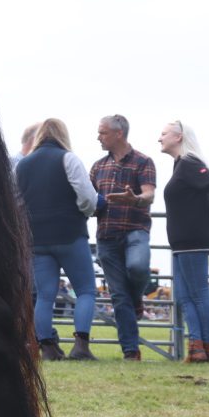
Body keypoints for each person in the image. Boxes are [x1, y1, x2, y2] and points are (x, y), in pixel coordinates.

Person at [15, 118, 100, 361]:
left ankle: (48, 347)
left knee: (45, 295)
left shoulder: (23, 165)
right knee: (85, 291)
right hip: (70, 234)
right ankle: (81, 346)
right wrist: (84, 211)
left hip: (36, 238)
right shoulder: (68, 158)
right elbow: (88, 197)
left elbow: (16, 202)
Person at [158, 120, 209, 363]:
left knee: (197, 294)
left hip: (192, 239)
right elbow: (203, 193)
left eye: (164, 134)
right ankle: (198, 346)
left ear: (178, 137)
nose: (160, 138)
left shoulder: (190, 163)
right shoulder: (182, 165)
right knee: (184, 296)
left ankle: (205, 348)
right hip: (183, 241)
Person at [91, 114, 157, 361]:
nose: (98, 137)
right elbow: (87, 198)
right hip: (106, 235)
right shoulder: (98, 166)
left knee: (138, 267)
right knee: (119, 295)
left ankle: (137, 298)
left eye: (102, 132)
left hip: (135, 230)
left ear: (119, 134)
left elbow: (149, 194)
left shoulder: (143, 162)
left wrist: (135, 198)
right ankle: (131, 350)